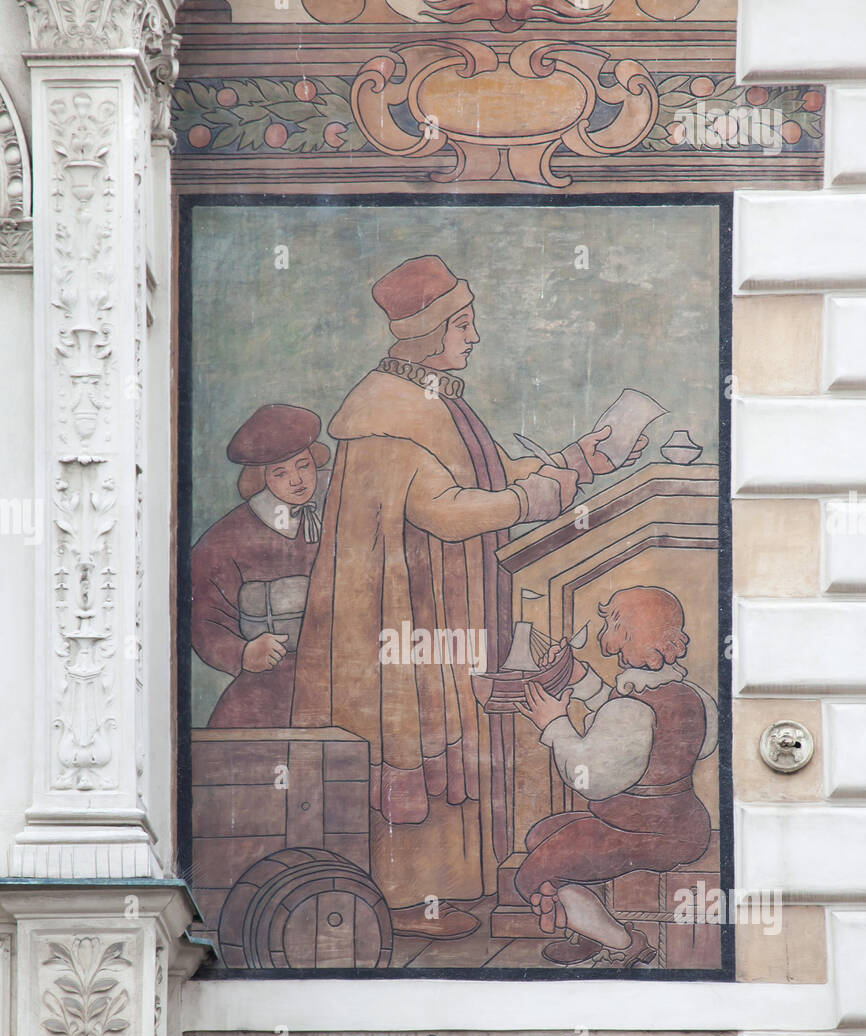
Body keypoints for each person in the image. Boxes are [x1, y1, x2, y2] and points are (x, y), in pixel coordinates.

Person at [292, 254, 645, 939]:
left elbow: (478, 473)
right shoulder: (386, 413)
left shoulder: (431, 396)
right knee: (414, 741)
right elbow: (443, 509)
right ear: (428, 333)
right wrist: (526, 499)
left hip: (441, 611)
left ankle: (440, 891)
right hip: (404, 621)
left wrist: (572, 462)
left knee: (445, 739)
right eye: (463, 322)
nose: (474, 335)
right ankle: (399, 897)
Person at [515, 586, 718, 966]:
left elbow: (589, 777)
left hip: (639, 832)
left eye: (611, 622)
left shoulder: (629, 708)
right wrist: (579, 676)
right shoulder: (691, 693)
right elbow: (636, 727)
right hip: (686, 825)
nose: (604, 630)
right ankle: (591, 932)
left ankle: (624, 944)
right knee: (541, 835)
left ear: (626, 632)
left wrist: (554, 723)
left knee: (532, 876)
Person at [191, 404, 329, 729]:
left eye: (303, 466)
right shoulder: (228, 538)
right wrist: (243, 653)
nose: (297, 480)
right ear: (260, 478)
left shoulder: (343, 504)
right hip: (271, 686)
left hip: (346, 676)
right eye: (280, 473)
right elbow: (201, 617)